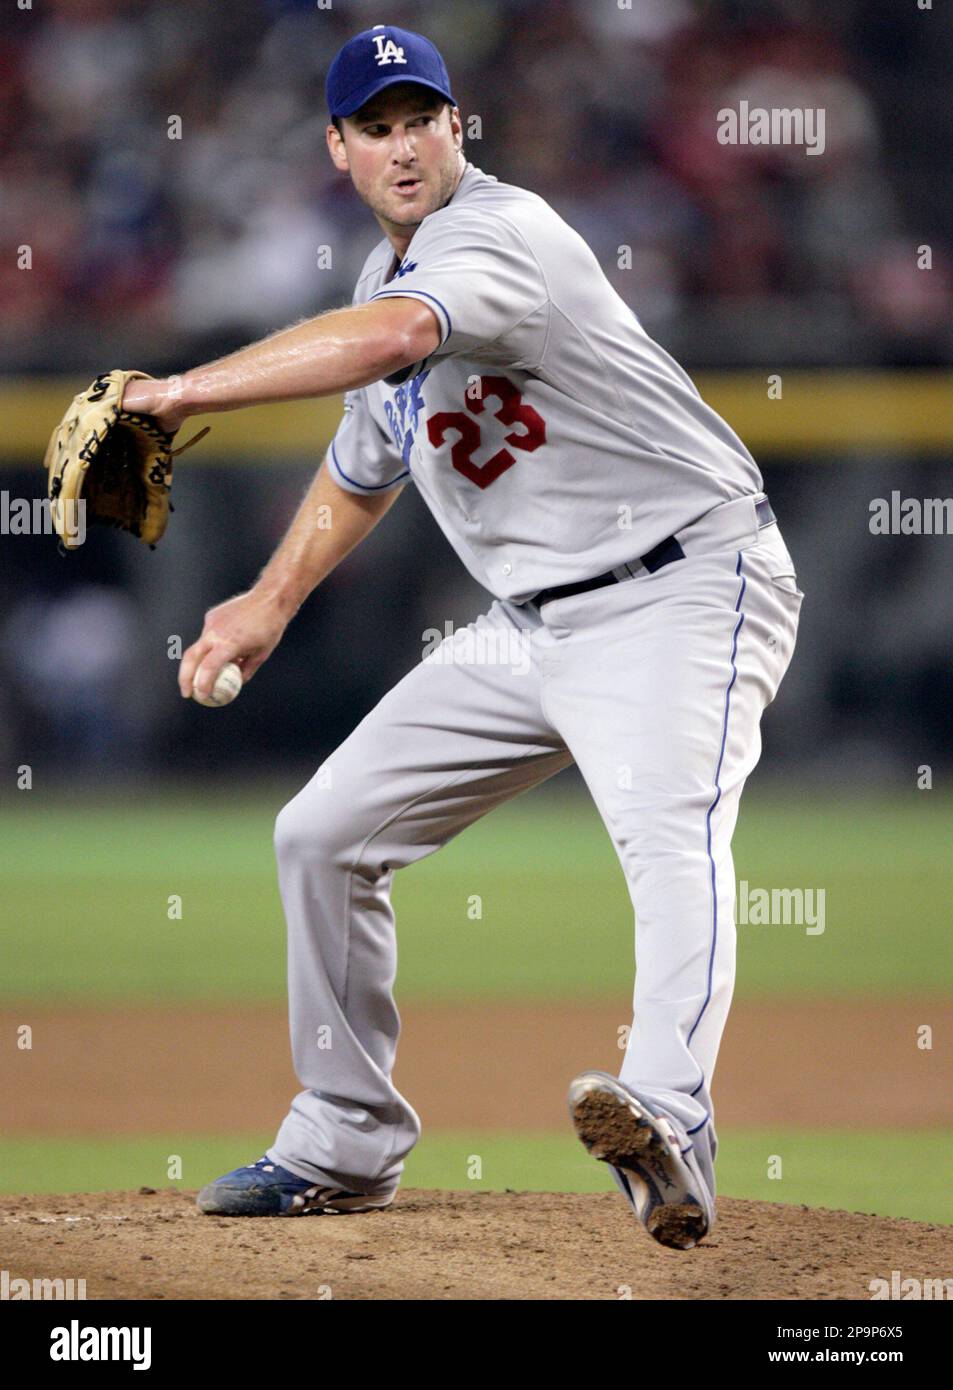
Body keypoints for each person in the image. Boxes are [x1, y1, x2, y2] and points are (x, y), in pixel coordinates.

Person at [123, 25, 802, 1249]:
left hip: (683, 586)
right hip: (530, 625)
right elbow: (361, 465)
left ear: (456, 125)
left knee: (666, 834)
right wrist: (269, 600)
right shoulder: (378, 285)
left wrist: (179, 390)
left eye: (418, 116)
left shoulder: (498, 235)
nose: (400, 144)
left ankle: (667, 1110)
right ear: (336, 148)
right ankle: (341, 1137)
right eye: (372, 125)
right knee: (320, 834)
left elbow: (396, 342)